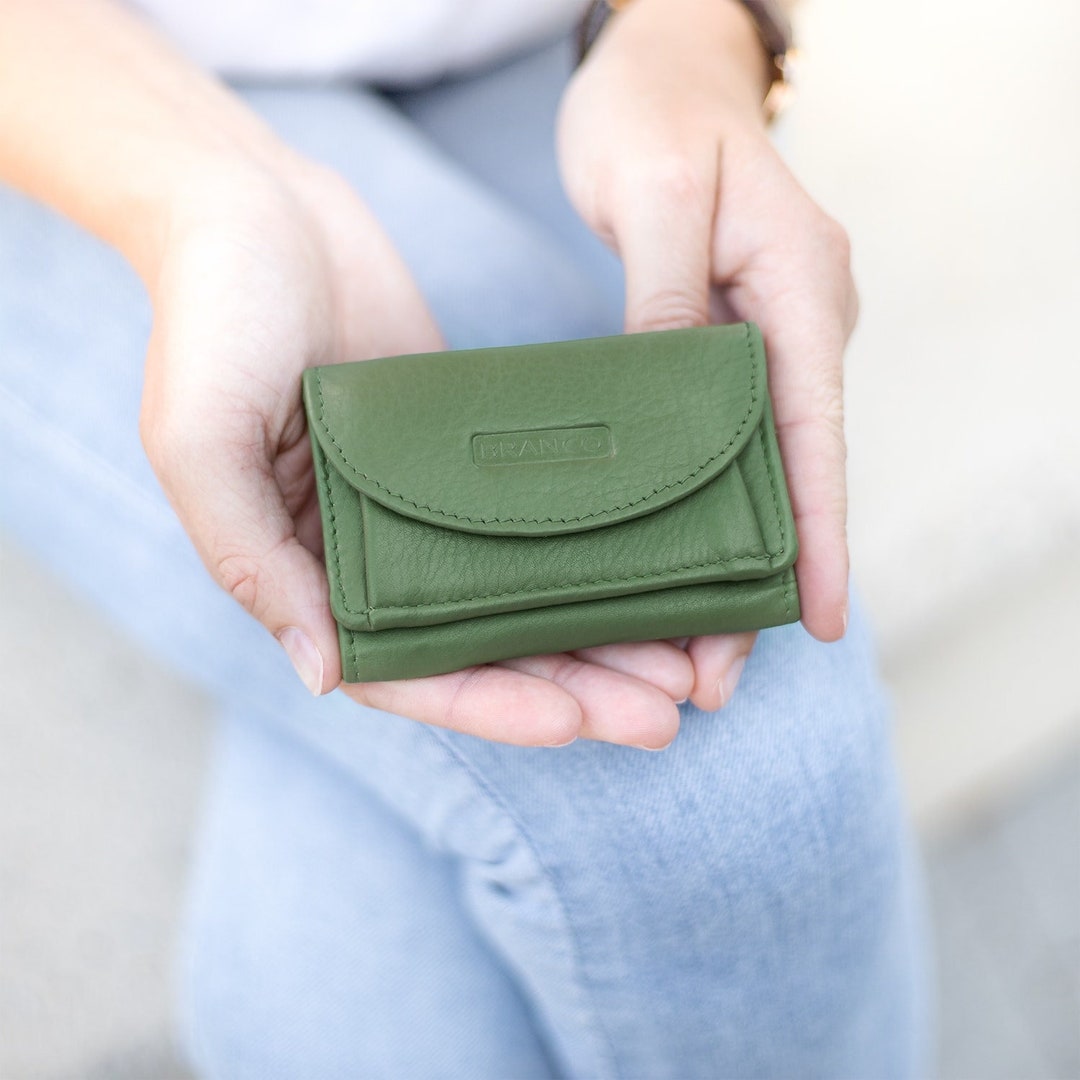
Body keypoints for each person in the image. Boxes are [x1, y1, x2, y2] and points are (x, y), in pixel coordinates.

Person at [0, 0, 929, 1076]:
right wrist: (208, 201)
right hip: (68, 97)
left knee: (346, 1017)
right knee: (719, 803)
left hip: (575, 55)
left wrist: (700, 33)